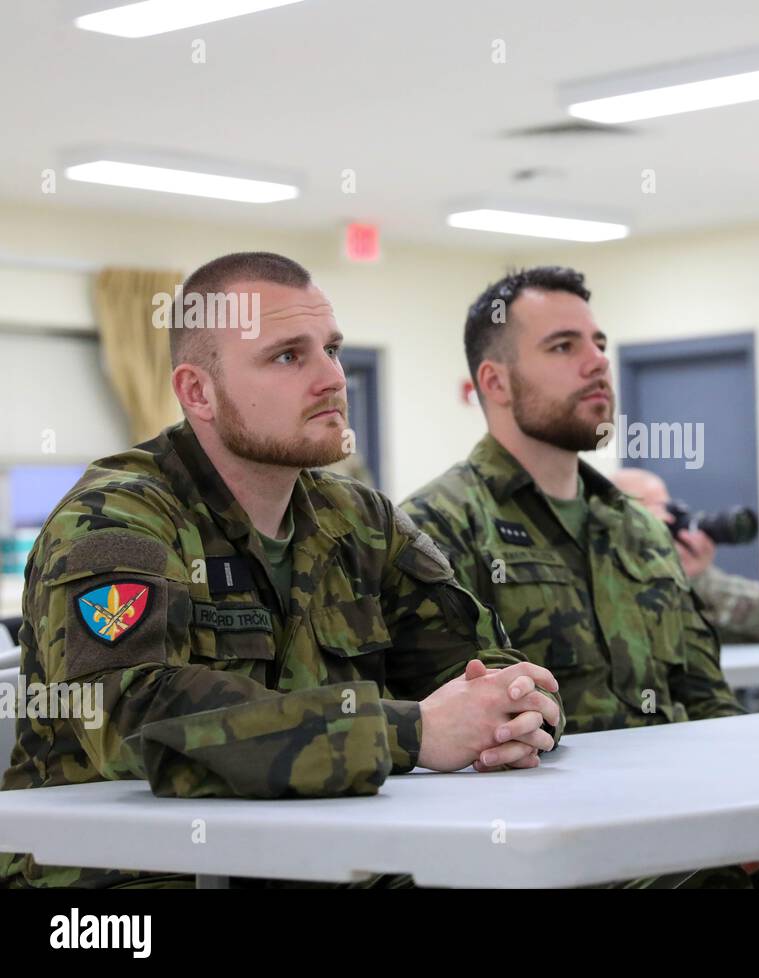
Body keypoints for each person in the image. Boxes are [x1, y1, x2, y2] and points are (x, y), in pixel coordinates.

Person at [1, 252, 561, 889]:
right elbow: (133, 716)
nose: (331, 378)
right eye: (289, 357)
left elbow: (489, 667)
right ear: (198, 393)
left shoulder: (359, 519)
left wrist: (516, 714)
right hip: (129, 883)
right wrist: (411, 732)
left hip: (328, 860)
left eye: (332, 349)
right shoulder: (116, 517)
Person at [402, 266, 744, 735]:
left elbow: (708, 701)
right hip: (533, 805)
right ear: (496, 383)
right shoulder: (437, 526)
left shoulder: (637, 528)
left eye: (599, 344)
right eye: (564, 347)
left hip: (669, 798)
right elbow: (460, 728)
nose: (598, 362)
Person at [609, 468, 759, 644]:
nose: (665, 522)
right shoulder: (596, 577)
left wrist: (697, 579)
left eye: (667, 510)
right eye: (649, 514)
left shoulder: (690, 582)